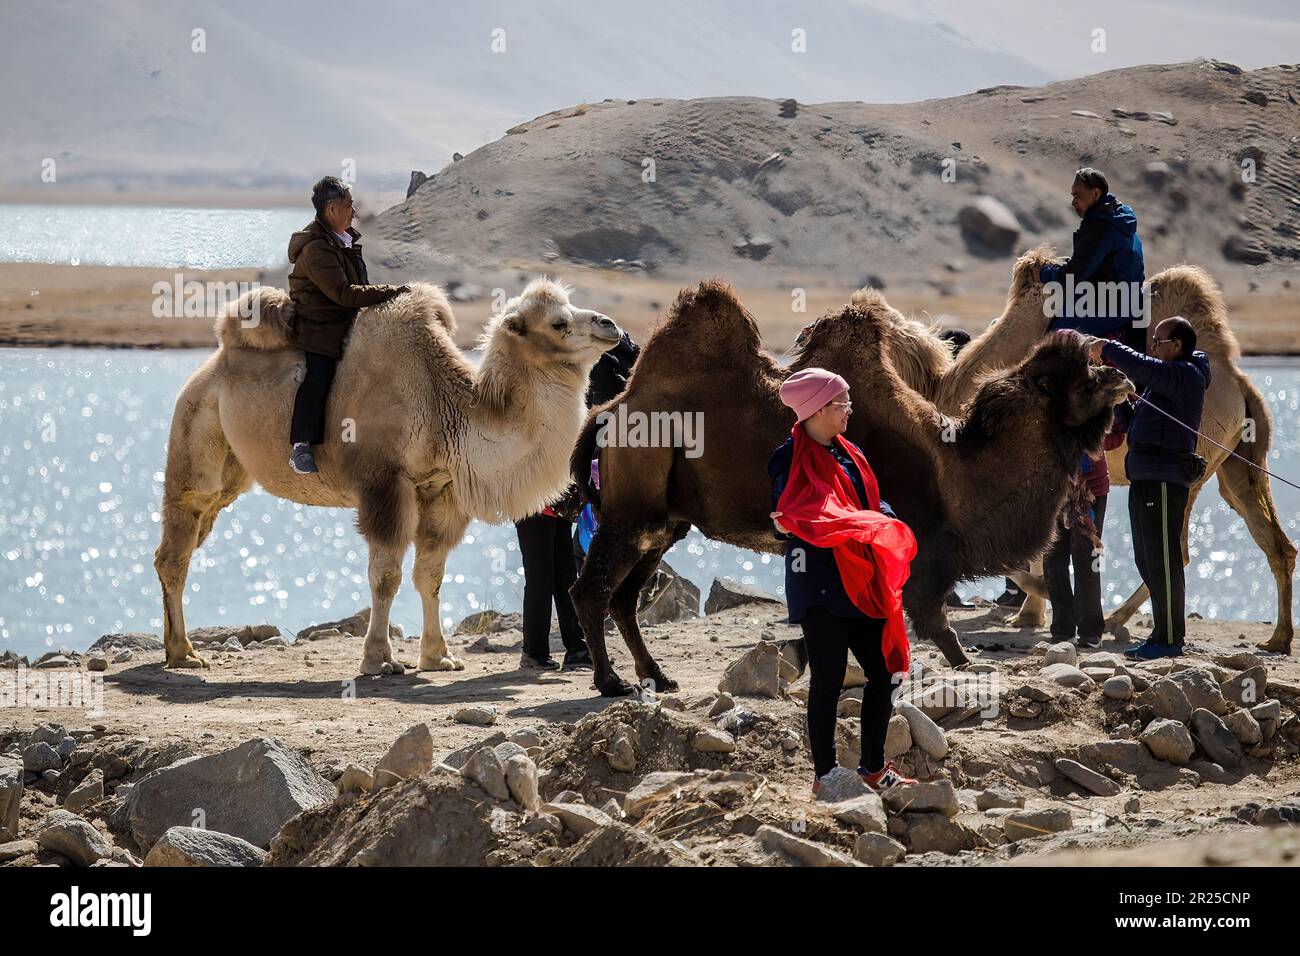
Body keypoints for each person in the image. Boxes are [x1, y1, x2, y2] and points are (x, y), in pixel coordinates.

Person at [768, 368, 918, 795]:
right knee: (828, 678)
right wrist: (783, 525)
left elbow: (869, 500)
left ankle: (871, 768)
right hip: (818, 583)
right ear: (815, 409)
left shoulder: (851, 452)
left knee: (887, 671)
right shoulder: (787, 457)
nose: (849, 409)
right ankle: (826, 775)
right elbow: (791, 507)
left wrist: (883, 518)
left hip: (862, 580)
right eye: (841, 403)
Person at [1086, 317, 1211, 659]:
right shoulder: (1165, 382)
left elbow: (1144, 367)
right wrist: (1117, 398)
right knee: (1147, 557)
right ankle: (1161, 634)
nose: (1153, 347)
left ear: (1177, 345)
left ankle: (1170, 640)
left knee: (1164, 558)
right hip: (1145, 476)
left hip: (1165, 478)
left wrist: (1108, 348)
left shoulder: (1185, 375)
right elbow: (1133, 420)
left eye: (1158, 341)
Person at [286, 176, 408, 475]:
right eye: (348, 205)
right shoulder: (317, 248)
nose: (353, 211)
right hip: (321, 327)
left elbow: (357, 286)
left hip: (346, 320)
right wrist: (392, 291)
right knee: (320, 374)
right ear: (331, 208)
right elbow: (343, 294)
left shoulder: (341, 240)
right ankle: (301, 445)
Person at [1040, 167, 1146, 350]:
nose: (1073, 202)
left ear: (1095, 193)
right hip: (1129, 299)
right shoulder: (1119, 218)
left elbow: (1074, 276)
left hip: (1111, 303)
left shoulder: (1100, 226)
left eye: (1078, 196)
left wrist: (1043, 273)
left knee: (1055, 341)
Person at [1044, 450, 1110, 647]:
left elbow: (1118, 434)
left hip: (1090, 490)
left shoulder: (1100, 419)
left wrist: (1097, 440)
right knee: (1053, 559)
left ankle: (1090, 631)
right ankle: (1062, 629)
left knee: (1088, 559)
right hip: (1052, 488)